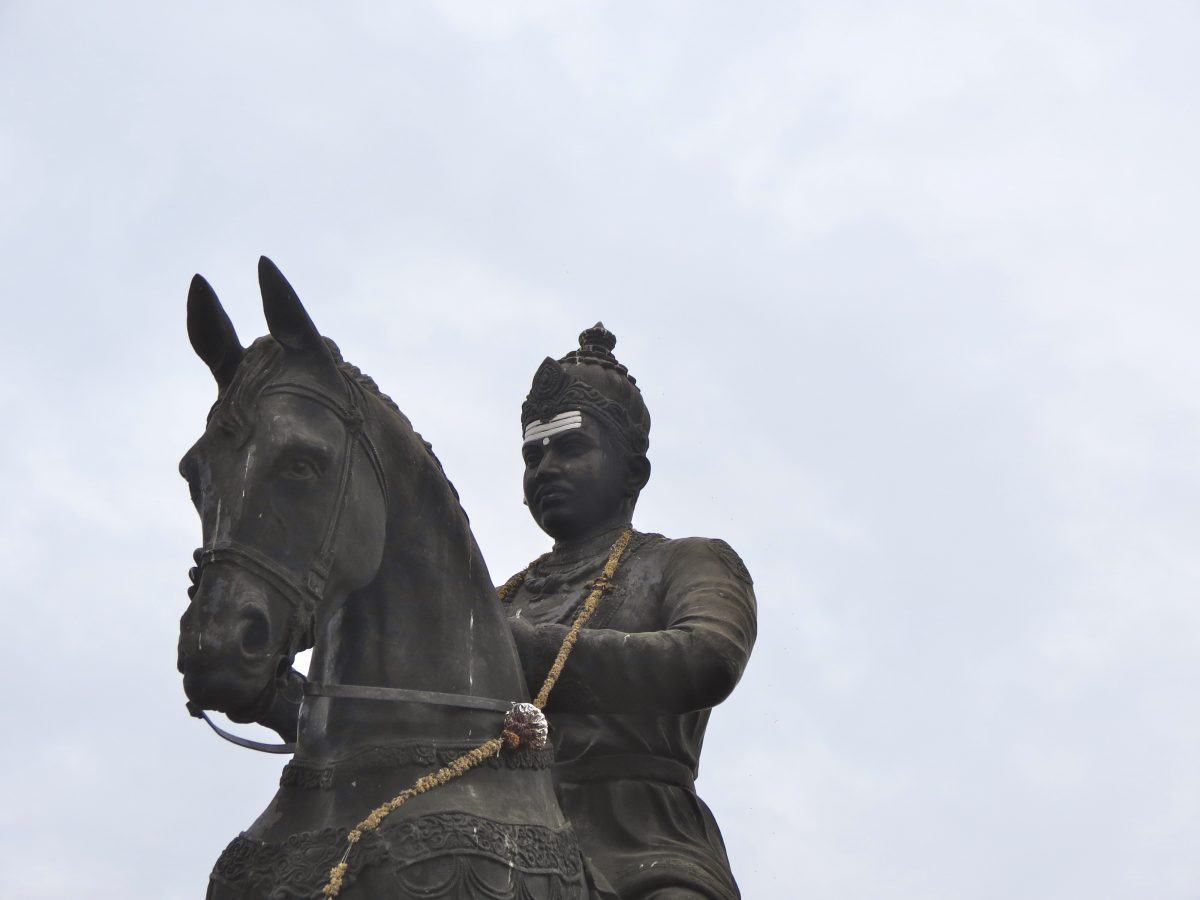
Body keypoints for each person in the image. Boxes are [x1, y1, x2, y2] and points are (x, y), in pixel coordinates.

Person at [501, 323, 757, 900]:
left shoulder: (687, 561)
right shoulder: (501, 598)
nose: (544, 468)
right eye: (532, 454)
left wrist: (520, 649)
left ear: (632, 474)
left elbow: (709, 656)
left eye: (569, 447)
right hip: (501, 830)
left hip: (643, 842)